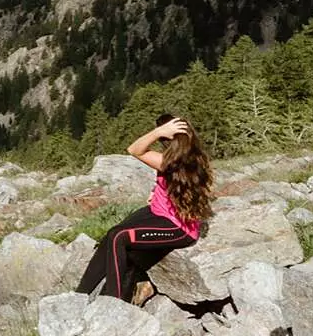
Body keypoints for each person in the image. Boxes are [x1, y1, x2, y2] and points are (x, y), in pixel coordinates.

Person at [74, 115, 214, 303]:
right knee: (111, 236)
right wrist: (157, 191)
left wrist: (157, 132)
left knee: (118, 237)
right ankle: (80, 295)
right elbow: (172, 183)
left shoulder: (170, 162)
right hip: (158, 213)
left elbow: (134, 150)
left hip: (178, 228)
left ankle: (111, 302)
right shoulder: (188, 158)